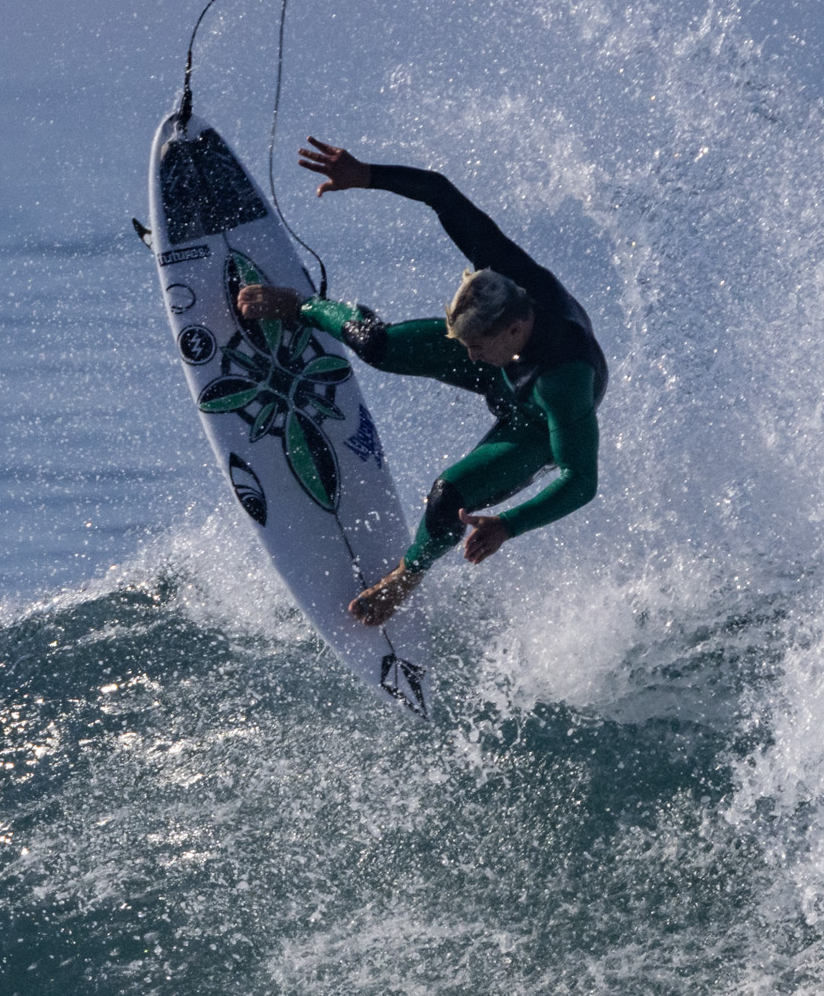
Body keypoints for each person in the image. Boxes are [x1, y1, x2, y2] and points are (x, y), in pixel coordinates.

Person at [235, 138, 606, 628]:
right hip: (510, 366)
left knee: (447, 499)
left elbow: (581, 481)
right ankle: (301, 305)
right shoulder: (504, 276)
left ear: (515, 328)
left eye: (475, 345)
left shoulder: (565, 379)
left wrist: (508, 526)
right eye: (463, 342)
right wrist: (366, 175)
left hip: (532, 421)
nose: (467, 354)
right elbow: (440, 193)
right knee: (378, 345)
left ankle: (407, 577)